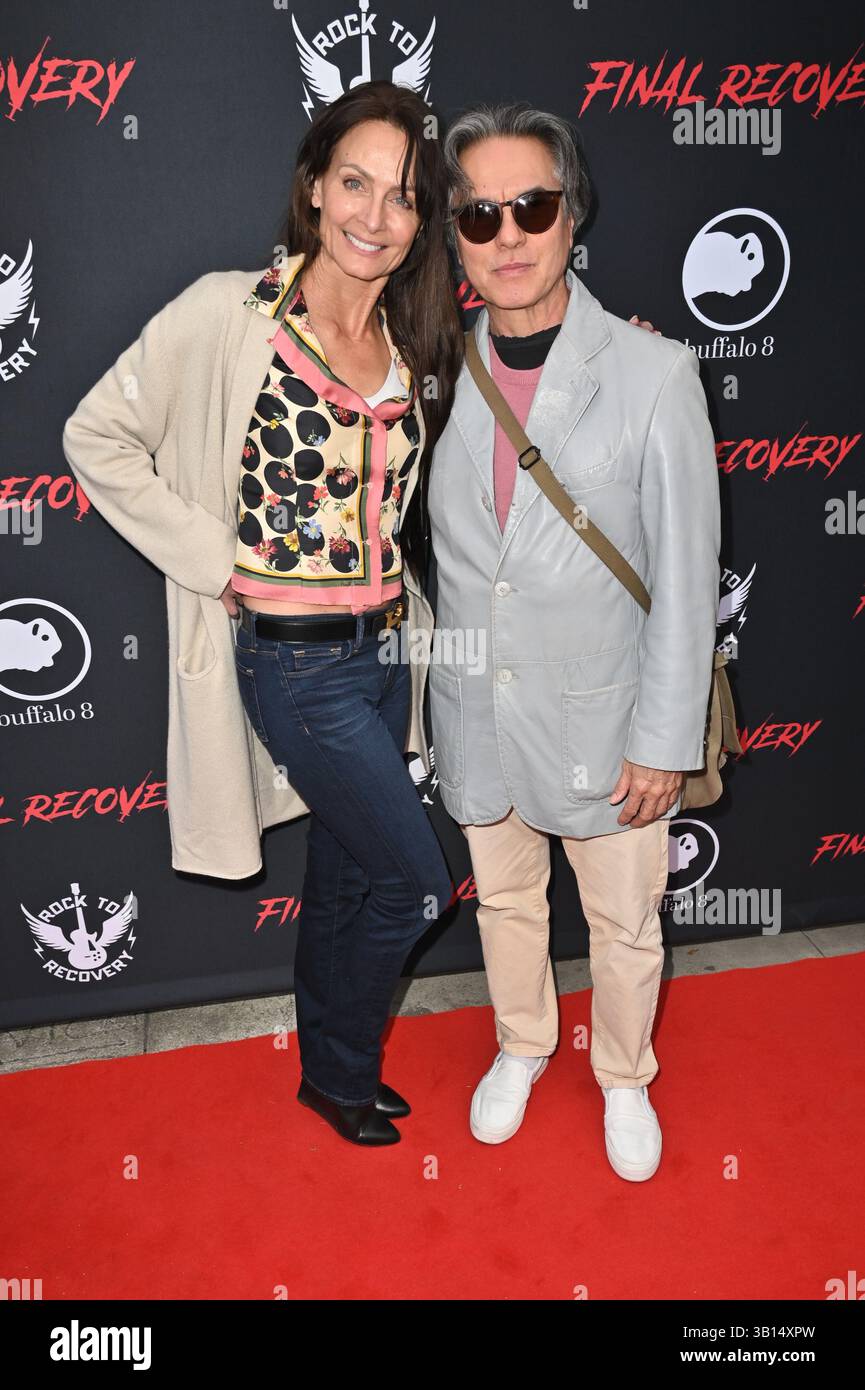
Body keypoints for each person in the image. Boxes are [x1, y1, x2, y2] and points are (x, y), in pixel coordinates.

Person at [62, 81, 462, 1148]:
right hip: (295, 668)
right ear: (313, 187)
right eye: (355, 183)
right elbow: (95, 436)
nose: (376, 216)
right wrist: (214, 559)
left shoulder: (413, 345)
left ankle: (334, 1075)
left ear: (423, 220)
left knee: (346, 878)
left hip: (384, 658)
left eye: (404, 197)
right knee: (417, 884)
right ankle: (339, 1064)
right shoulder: (230, 315)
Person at [426, 102, 721, 1180]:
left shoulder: (654, 377)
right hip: (476, 715)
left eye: (531, 206)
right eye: (478, 214)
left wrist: (663, 735)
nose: (507, 234)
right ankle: (521, 1042)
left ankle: (624, 1075)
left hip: (608, 719)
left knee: (622, 922)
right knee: (505, 902)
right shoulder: (433, 375)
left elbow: (687, 580)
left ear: (570, 212)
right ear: (454, 236)